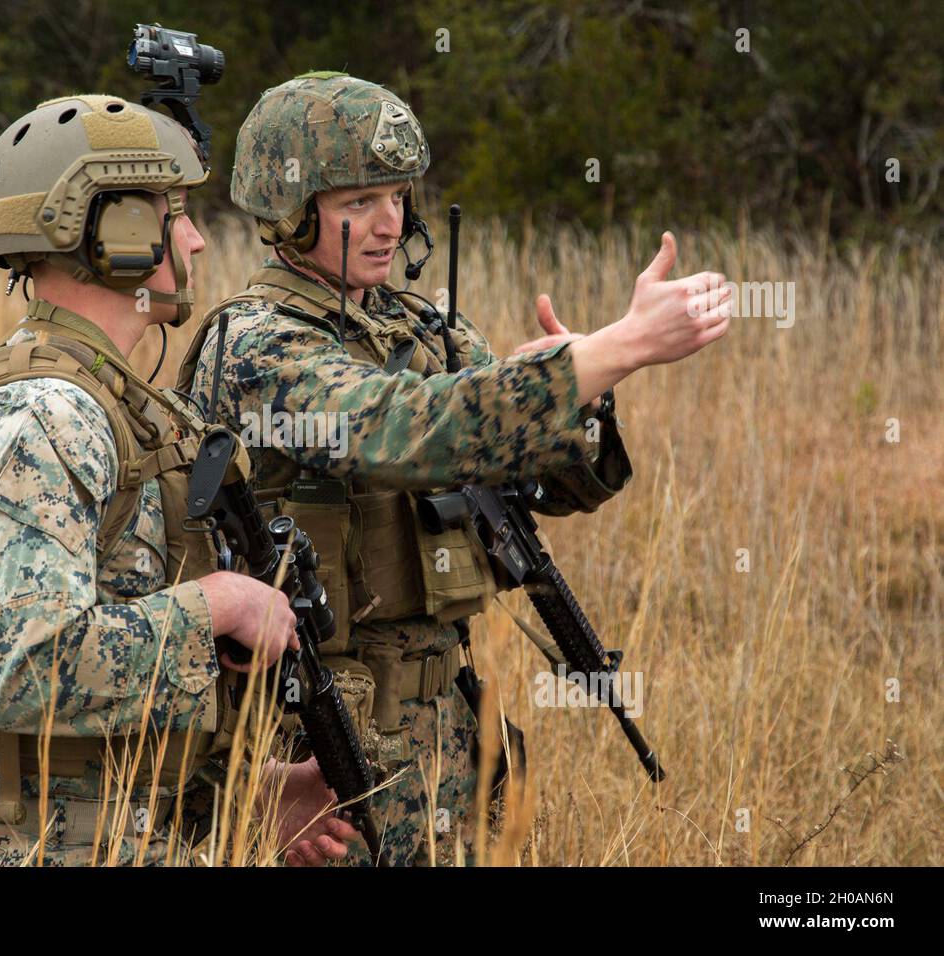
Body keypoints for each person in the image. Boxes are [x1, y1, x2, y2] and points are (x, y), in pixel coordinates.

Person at [180, 72, 732, 865]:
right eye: (357, 203)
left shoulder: (417, 327)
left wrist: (587, 388)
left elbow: (557, 484)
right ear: (290, 212)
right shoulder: (257, 345)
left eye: (398, 197)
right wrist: (616, 347)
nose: (388, 223)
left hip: (446, 727)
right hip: (320, 748)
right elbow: (401, 429)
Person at [0, 92, 356, 866]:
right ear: (116, 233)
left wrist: (243, 791)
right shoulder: (45, 417)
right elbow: (23, 668)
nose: (194, 238)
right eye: (174, 211)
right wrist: (216, 605)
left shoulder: (117, 402)